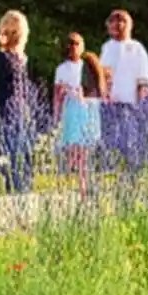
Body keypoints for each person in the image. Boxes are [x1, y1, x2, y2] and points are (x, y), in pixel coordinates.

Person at [0, 10, 33, 193]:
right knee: (11, 146)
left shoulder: (22, 58)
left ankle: (25, 182)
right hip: (5, 105)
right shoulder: (0, 58)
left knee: (25, 146)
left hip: (21, 106)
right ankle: (14, 183)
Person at [55, 33, 103, 195]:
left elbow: (98, 87)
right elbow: (58, 93)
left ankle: (84, 185)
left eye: (77, 43)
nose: (74, 47)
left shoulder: (89, 65)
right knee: (73, 149)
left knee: (85, 150)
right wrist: (57, 113)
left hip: (88, 108)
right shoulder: (62, 69)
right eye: (71, 44)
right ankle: (69, 182)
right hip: (72, 109)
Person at [100, 9, 148, 106]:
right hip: (108, 103)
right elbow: (102, 74)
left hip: (129, 102)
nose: (115, 25)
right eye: (112, 22)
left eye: (120, 21)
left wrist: (141, 104)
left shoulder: (137, 48)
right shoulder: (106, 47)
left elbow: (143, 80)